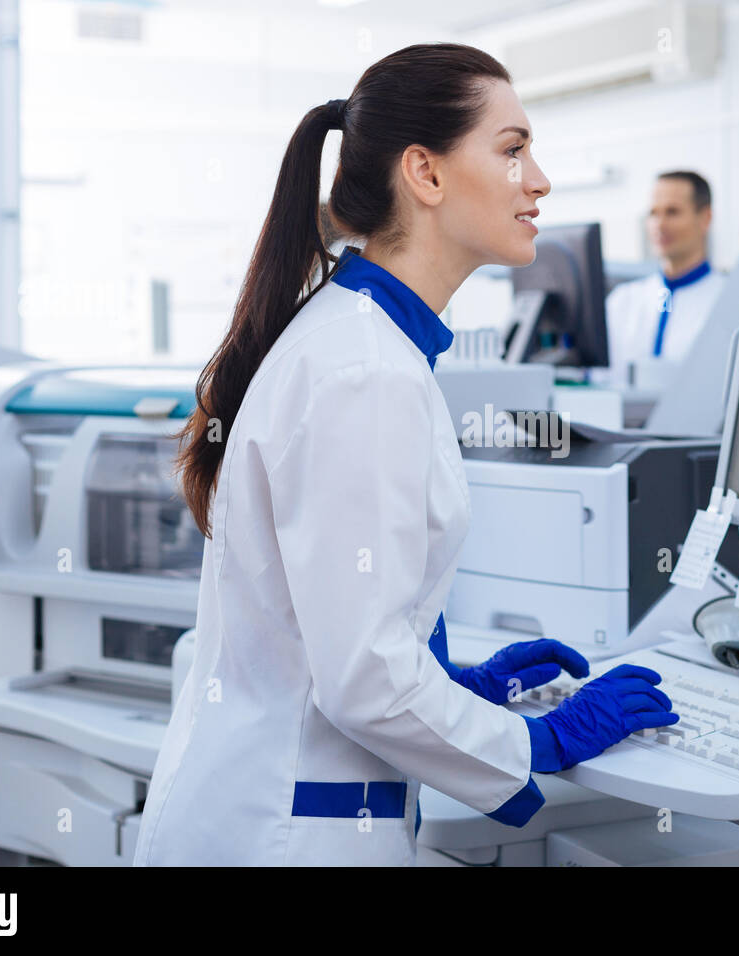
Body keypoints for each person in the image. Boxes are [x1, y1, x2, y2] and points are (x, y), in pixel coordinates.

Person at [133, 43, 677, 867]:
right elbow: (363, 677)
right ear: (424, 174)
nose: (539, 180)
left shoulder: (360, 340)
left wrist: (459, 688)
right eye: (512, 149)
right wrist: (537, 741)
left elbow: (340, 636)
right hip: (285, 835)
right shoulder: (365, 370)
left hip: (267, 808)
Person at [605, 171, 726, 388]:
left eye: (672, 212)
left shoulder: (729, 300)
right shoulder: (622, 300)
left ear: (705, 218)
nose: (659, 225)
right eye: (653, 213)